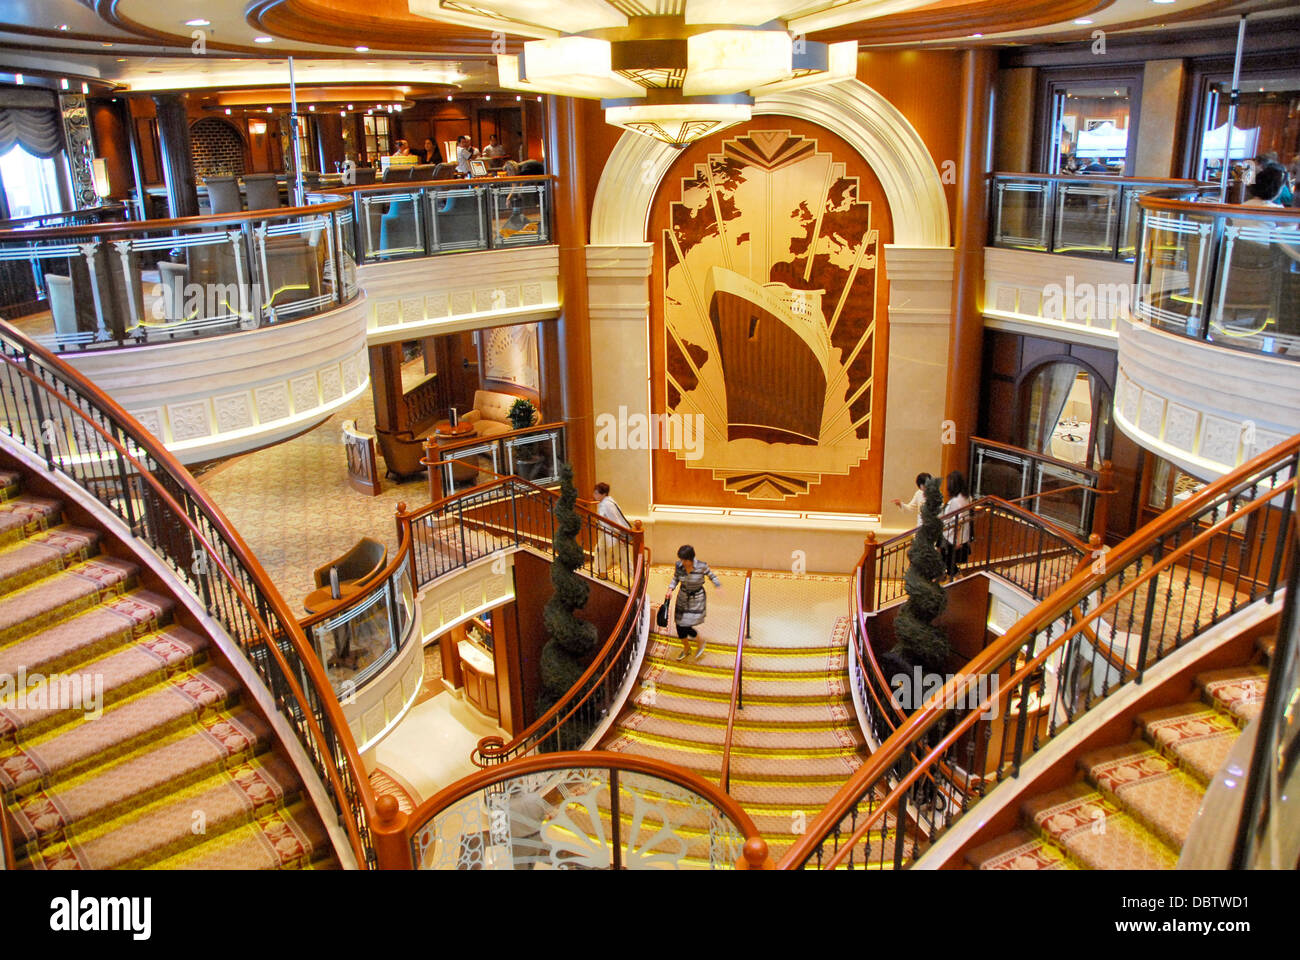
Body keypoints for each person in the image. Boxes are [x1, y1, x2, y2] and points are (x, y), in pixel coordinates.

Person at [663, 545, 721, 662]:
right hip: (683, 597)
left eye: (685, 560)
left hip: (696, 598)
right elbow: (675, 579)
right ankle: (687, 647)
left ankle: (699, 642)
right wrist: (670, 589)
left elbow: (712, 576)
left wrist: (718, 586)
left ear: (691, 559)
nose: (682, 562)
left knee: (686, 624)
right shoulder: (679, 566)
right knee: (679, 624)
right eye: (681, 559)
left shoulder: (701, 566)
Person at [592, 482, 630, 583]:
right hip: (606, 533)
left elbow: (615, 521)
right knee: (600, 549)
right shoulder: (604, 503)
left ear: (603, 494)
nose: (594, 495)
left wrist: (619, 534)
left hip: (614, 534)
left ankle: (636, 581)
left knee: (622, 559)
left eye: (596, 493)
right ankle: (602, 573)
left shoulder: (608, 504)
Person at [941, 470, 972, 577]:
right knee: (947, 560)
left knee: (947, 560)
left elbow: (955, 521)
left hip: (952, 535)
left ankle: (957, 578)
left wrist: (957, 540)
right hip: (961, 535)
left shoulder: (955, 501)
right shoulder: (967, 497)